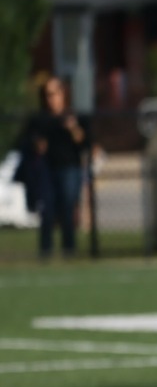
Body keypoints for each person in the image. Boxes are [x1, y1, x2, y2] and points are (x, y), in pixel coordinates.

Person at [17, 76, 89, 260]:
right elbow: (26, 141)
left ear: (64, 94)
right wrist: (37, 144)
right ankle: (46, 250)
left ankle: (69, 249)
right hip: (46, 169)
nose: (52, 98)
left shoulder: (73, 116)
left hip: (69, 168)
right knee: (47, 209)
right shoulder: (40, 119)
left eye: (56, 93)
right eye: (48, 94)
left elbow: (85, 143)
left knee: (67, 208)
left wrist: (72, 128)